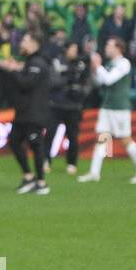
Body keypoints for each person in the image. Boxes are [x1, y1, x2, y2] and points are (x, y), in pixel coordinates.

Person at [79, 38, 136, 184]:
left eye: (109, 45)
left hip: (120, 108)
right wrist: (94, 70)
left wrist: (98, 66)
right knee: (102, 137)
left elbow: (109, 80)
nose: (106, 47)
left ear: (118, 48)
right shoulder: (111, 64)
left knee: (125, 140)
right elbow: (100, 82)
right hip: (107, 106)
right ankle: (94, 172)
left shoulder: (124, 63)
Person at [0, 31, 52, 195]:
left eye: (25, 40)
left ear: (35, 44)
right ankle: (28, 176)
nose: (21, 44)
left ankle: (41, 183)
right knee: (14, 141)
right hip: (24, 111)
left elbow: (27, 83)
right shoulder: (30, 62)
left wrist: (12, 70)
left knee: (36, 145)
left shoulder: (37, 63)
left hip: (34, 112)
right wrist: (17, 68)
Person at [47, 41, 91, 176]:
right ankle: (45, 161)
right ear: (65, 49)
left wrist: (81, 93)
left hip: (74, 106)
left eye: (76, 49)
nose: (74, 52)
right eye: (72, 49)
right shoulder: (57, 62)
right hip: (56, 104)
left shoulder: (81, 64)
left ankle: (71, 163)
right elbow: (52, 82)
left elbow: (87, 83)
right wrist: (68, 78)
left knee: (73, 136)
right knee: (50, 134)